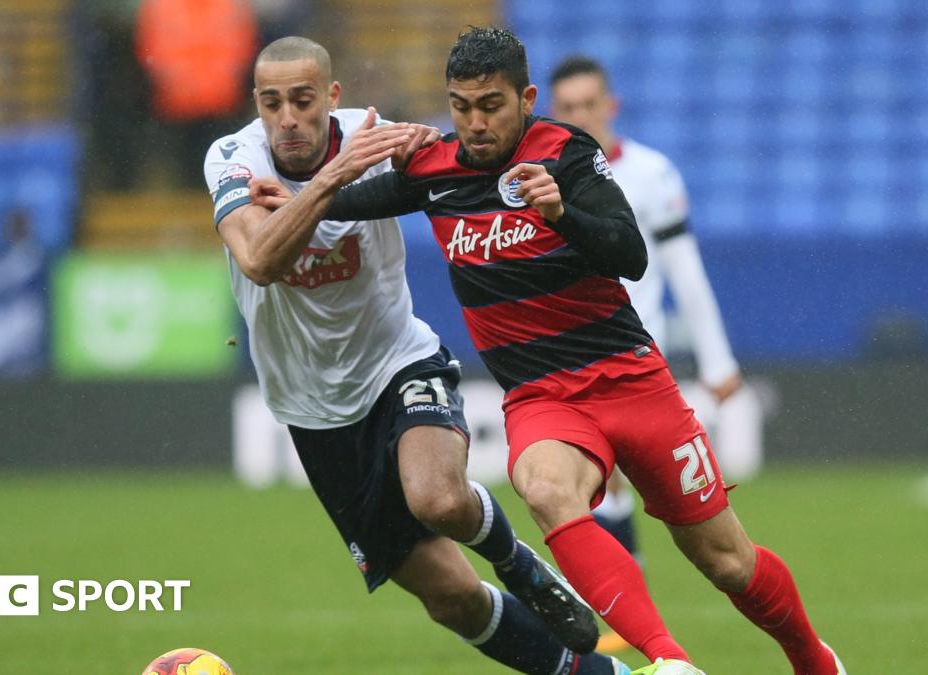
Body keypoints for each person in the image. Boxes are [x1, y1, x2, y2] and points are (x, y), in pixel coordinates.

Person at [250, 27, 844, 675]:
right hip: (543, 395)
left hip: (631, 382)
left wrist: (562, 212)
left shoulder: (567, 152)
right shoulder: (433, 170)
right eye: (460, 105)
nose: (475, 123)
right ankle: (669, 660)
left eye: (491, 106)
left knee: (726, 559)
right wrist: (295, 200)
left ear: (526, 98)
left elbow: (631, 255)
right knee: (542, 487)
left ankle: (814, 659)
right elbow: (352, 203)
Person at [203, 36, 626, 675]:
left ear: (331, 97)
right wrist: (330, 181)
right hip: (314, 414)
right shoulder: (232, 159)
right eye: (272, 103)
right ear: (256, 105)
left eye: (302, 100)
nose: (288, 118)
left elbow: (473, 160)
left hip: (397, 363)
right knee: (451, 598)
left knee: (439, 499)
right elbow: (259, 261)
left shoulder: (376, 140)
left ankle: (521, 565)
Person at [546, 55, 764, 654]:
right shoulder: (536, 177)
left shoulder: (652, 174)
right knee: (596, 485)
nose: (580, 116)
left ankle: (618, 620)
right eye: (568, 108)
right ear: (553, 111)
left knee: (620, 486)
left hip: (632, 351)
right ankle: (621, 618)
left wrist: (717, 361)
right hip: (562, 352)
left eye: (590, 104)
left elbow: (684, 272)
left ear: (610, 107)